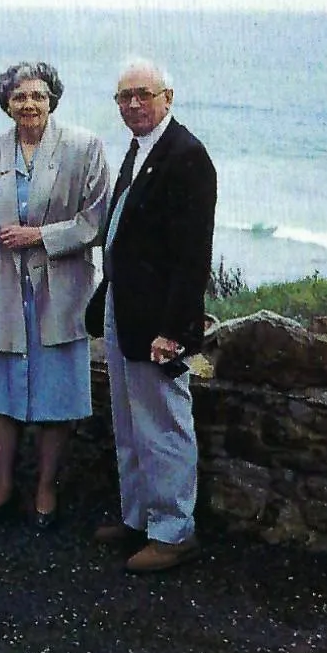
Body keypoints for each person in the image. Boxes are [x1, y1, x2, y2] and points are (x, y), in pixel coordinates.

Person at [85, 56, 216, 573]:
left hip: (157, 317)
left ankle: (173, 531)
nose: (134, 104)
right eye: (124, 97)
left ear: (168, 97)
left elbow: (192, 256)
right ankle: (137, 516)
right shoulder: (142, 149)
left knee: (163, 423)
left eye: (144, 94)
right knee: (128, 420)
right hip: (125, 304)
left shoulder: (187, 156)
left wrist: (175, 330)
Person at [0, 62, 110, 530]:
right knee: (3, 395)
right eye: (19, 97)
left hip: (61, 290)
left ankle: (46, 488)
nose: (28, 104)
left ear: (53, 98)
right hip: (6, 291)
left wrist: (39, 237)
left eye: (38, 95)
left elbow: (96, 222)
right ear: (5, 102)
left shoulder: (84, 147)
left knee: (56, 396)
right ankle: (3, 485)